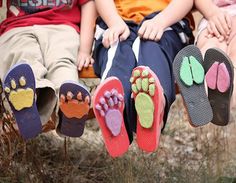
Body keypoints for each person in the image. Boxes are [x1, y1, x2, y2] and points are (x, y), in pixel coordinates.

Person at [92, 0, 195, 157]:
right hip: (118, 21)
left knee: (154, 50)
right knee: (116, 50)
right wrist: (114, 22)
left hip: (165, 20)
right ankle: (115, 112)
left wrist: (161, 21)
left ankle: (156, 105)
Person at [0, 0, 97, 139]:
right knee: (23, 59)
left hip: (62, 27)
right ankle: (30, 97)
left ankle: (69, 109)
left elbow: (88, 3)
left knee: (62, 62)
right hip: (18, 27)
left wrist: (84, 49)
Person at [195, 0, 236, 125]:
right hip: (214, 19)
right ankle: (197, 93)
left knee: (231, 57)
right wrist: (212, 13)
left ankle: (225, 99)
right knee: (211, 51)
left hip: (218, 20)